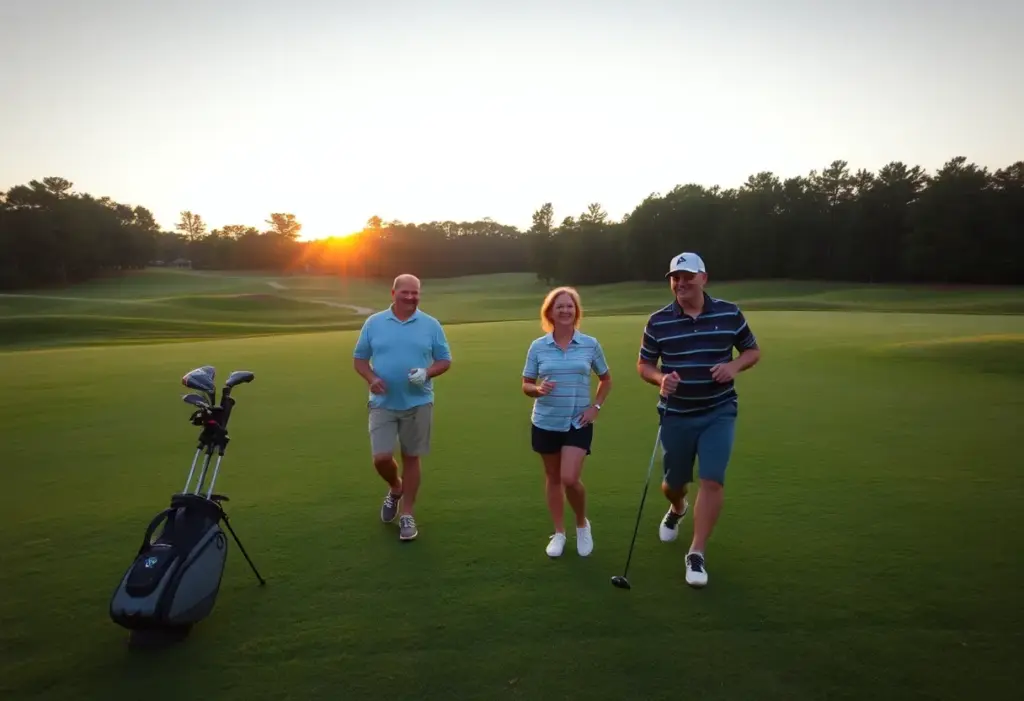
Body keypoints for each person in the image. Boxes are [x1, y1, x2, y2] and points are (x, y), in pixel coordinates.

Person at [636, 252, 760, 587]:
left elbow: (752, 350)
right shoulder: (658, 321)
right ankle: (677, 509)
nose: (681, 283)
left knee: (712, 479)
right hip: (676, 414)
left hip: (718, 411)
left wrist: (733, 367)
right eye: (675, 278)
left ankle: (696, 552)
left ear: (704, 277)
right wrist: (660, 378)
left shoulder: (729, 313)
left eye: (688, 276)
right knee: (673, 484)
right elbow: (644, 364)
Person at [353, 273, 452, 542]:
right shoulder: (374, 323)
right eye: (405, 292)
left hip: (418, 402)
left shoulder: (430, 324)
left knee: (411, 457)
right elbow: (360, 359)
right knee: (381, 458)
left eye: (415, 292)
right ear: (393, 293)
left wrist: (427, 372)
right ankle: (396, 488)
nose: (411, 297)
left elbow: (444, 360)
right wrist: (372, 379)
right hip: (382, 404)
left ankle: (407, 513)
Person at [522, 286, 612, 558]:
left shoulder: (590, 344)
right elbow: (526, 384)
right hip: (545, 421)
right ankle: (559, 532)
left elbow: (606, 379)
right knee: (552, 477)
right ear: (550, 312)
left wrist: (595, 407)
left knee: (569, 478)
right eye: (559, 306)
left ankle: (582, 524)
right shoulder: (538, 346)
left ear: (576, 311)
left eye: (569, 306)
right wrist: (537, 390)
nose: (565, 310)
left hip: (577, 422)